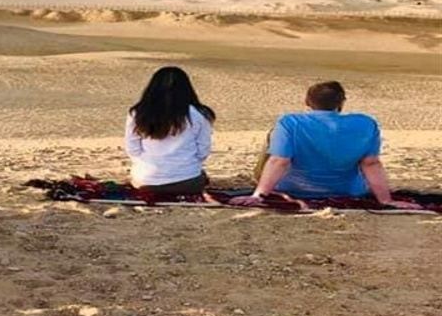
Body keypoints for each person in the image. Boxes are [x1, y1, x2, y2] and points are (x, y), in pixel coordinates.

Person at [230, 81, 419, 209]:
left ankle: (260, 185)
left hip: (290, 187)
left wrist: (258, 196)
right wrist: (386, 200)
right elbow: (371, 163)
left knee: (274, 137)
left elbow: (279, 160)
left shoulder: (290, 122)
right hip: (348, 190)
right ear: (341, 102)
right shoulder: (366, 123)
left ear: (307, 102)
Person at [124, 66, 215, 195]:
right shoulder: (200, 113)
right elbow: (203, 151)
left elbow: (132, 149)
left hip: (145, 182)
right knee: (200, 176)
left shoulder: (138, 112)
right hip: (187, 182)